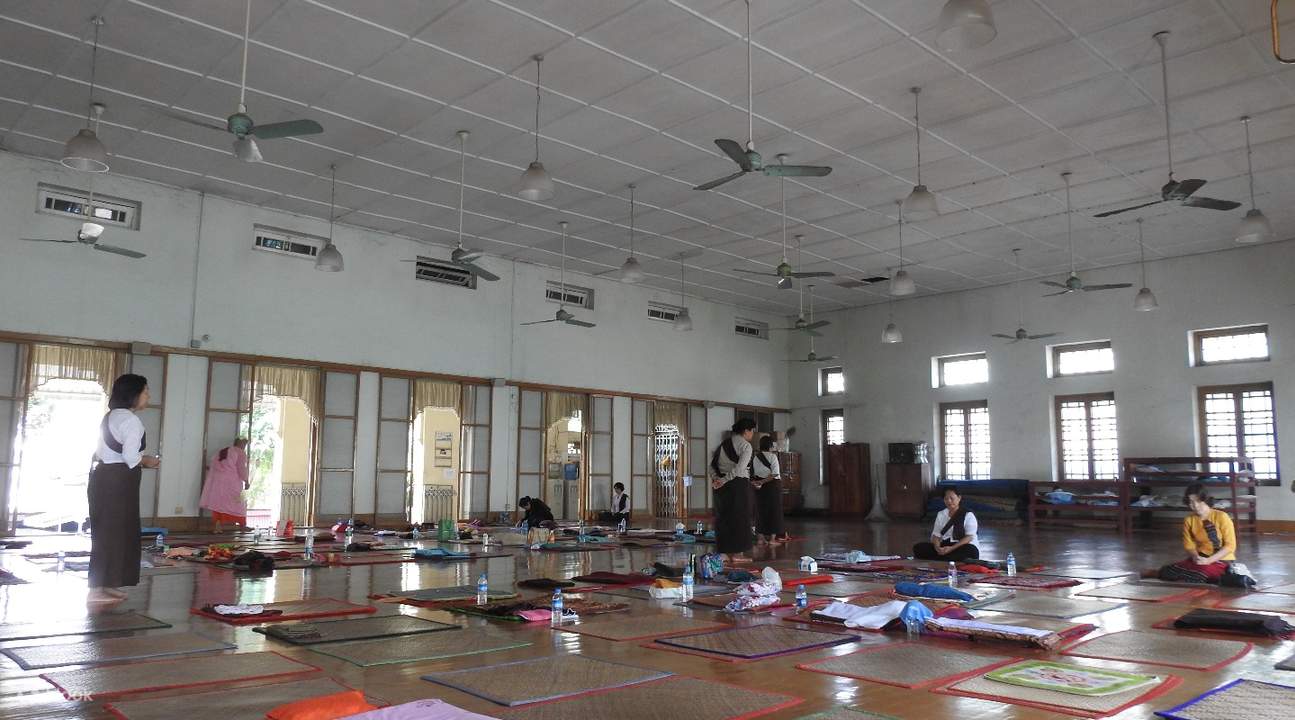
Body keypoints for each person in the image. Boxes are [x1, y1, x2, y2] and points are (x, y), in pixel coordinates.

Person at [87, 374, 160, 604]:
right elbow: (130, 457)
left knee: (116, 532)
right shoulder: (130, 420)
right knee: (110, 534)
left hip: (105, 479)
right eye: (145, 391)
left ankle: (108, 584)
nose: (148, 396)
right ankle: (96, 589)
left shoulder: (111, 416)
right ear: (133, 394)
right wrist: (148, 460)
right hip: (117, 482)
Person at [1156, 484, 1237, 584]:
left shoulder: (1222, 516)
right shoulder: (1189, 520)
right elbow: (1189, 545)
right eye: (1191, 502)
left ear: (1205, 499)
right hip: (1201, 559)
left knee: (1200, 574)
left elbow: (1230, 546)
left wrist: (1209, 560)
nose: (1195, 505)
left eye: (1198, 501)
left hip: (1221, 560)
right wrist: (1195, 557)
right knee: (1167, 570)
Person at [711, 418, 756, 564]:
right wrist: (724, 480)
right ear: (746, 431)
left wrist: (717, 479)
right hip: (737, 485)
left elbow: (711, 466)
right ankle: (738, 553)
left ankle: (723, 553)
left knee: (723, 518)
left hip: (721, 487)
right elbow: (739, 469)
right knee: (740, 518)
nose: (752, 434)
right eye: (752, 431)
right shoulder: (746, 446)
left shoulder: (722, 445)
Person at [913, 487, 979, 561]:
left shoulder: (968, 514)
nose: (949, 501)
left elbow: (969, 537)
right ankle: (946, 559)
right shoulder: (941, 514)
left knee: (971, 551)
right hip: (945, 545)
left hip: (961, 546)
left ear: (959, 498)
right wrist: (937, 548)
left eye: (951, 498)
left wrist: (951, 549)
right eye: (946, 499)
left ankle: (941, 559)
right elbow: (936, 535)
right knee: (918, 548)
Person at [200, 438, 249, 533]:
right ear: (240, 444)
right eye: (244, 445)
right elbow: (241, 469)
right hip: (232, 482)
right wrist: (246, 481)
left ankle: (217, 527)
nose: (244, 447)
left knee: (218, 504)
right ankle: (243, 525)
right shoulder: (240, 452)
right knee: (240, 502)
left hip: (217, 483)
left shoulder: (223, 451)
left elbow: (213, 464)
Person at [751, 435, 786, 545]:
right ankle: (772, 539)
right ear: (771, 446)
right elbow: (774, 474)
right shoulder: (773, 457)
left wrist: (759, 482)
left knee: (760, 511)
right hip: (772, 486)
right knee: (774, 511)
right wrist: (763, 481)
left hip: (759, 487)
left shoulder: (756, 457)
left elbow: (753, 473)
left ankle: (760, 538)